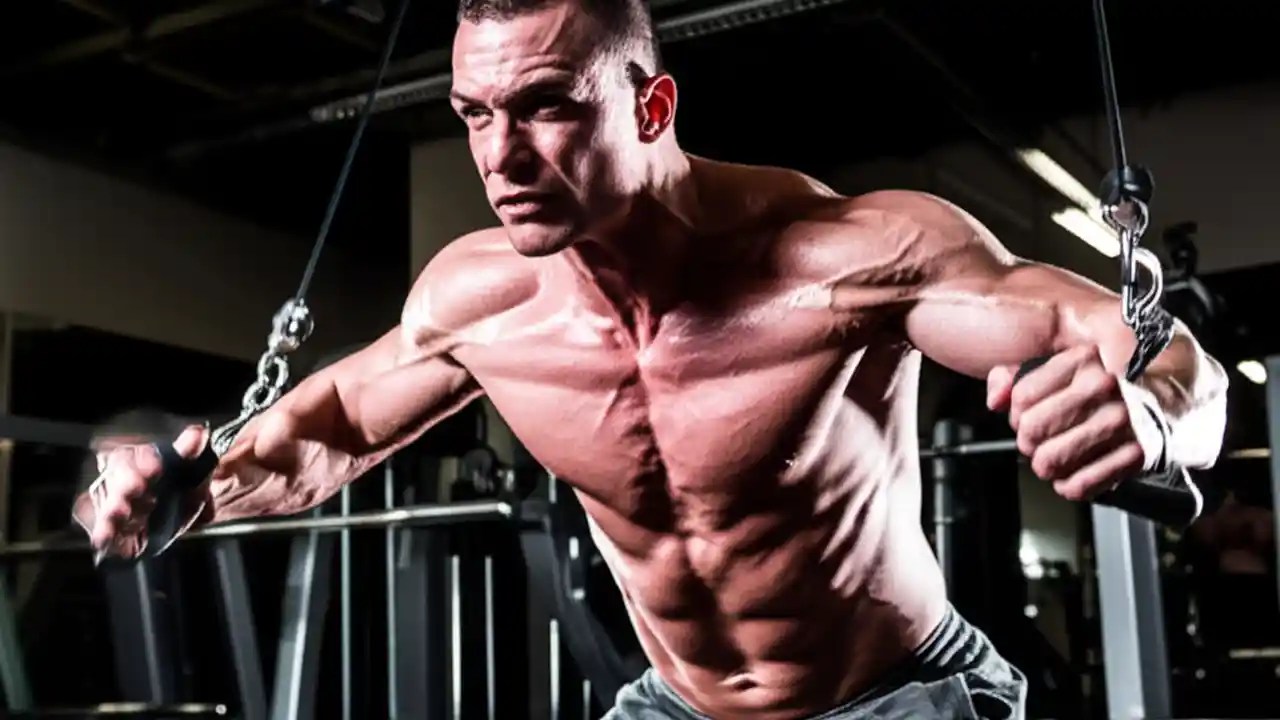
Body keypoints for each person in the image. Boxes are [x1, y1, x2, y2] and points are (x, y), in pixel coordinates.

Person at [75, 0, 1229, 717]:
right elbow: (321, 437)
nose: (502, 154)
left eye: (544, 107)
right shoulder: (481, 301)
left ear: (650, 103)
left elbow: (1164, 354)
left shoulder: (843, 255)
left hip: (891, 699)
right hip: (670, 708)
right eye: (475, 114)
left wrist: (1158, 417)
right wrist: (186, 492)